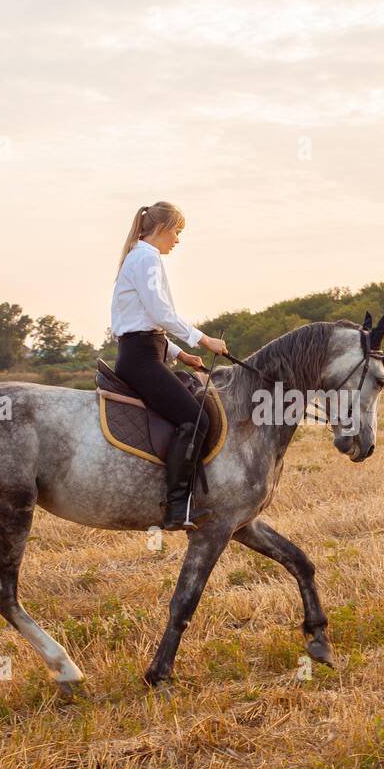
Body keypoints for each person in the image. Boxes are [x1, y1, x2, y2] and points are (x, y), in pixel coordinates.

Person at [109, 201, 228, 530]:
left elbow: (146, 321)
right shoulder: (147, 257)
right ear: (161, 229)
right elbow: (160, 313)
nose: (177, 239)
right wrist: (203, 340)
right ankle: (177, 506)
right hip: (141, 359)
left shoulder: (140, 255)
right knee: (196, 419)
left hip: (145, 352)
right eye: (176, 231)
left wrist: (179, 355)